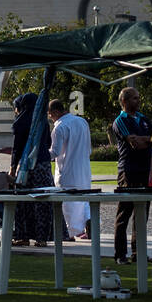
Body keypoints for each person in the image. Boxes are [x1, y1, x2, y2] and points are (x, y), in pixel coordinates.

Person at [111, 86, 152, 265]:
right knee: (124, 213)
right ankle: (120, 254)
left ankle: (139, 253)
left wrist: (145, 140)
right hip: (128, 171)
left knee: (142, 214)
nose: (138, 101)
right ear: (124, 101)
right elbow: (134, 144)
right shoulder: (120, 121)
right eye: (134, 98)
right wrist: (145, 140)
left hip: (146, 170)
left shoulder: (144, 119)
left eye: (138, 97)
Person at [7, 92, 54, 246]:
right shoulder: (43, 121)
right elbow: (48, 143)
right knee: (42, 200)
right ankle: (42, 238)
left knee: (22, 200)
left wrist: (13, 167)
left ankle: (23, 235)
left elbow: (17, 148)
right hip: (43, 165)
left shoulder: (20, 122)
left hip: (26, 167)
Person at [47, 99, 91, 239]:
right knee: (85, 201)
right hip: (84, 169)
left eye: (50, 115)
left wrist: (39, 155)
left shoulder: (59, 127)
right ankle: (89, 227)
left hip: (67, 171)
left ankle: (70, 233)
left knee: (68, 205)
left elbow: (55, 152)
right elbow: (89, 148)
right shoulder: (82, 122)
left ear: (54, 112)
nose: (50, 118)